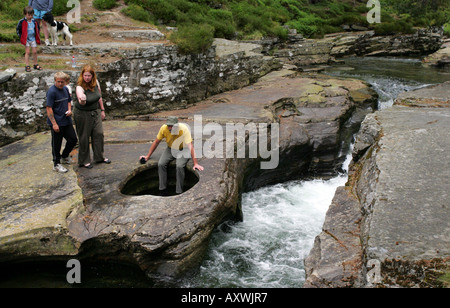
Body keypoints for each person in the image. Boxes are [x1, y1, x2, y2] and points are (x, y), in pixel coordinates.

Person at [140, 116, 204, 195]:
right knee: (161, 164)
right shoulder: (164, 128)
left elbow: (190, 146)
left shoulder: (184, 129)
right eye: (168, 126)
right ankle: (162, 189)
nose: (170, 128)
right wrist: (147, 156)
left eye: (172, 126)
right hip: (171, 149)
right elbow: (156, 142)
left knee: (179, 166)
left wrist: (195, 163)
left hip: (183, 150)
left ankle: (179, 191)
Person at [74, 65, 110, 169]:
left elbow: (99, 97)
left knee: (99, 133)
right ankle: (84, 160)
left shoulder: (96, 83)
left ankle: (99, 157)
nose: (87, 78)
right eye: (85, 75)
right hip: (82, 114)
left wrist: (102, 110)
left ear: (92, 76)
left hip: (95, 112)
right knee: (84, 137)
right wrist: (82, 99)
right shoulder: (79, 87)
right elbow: (81, 99)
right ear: (82, 75)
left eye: (89, 75)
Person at [46, 72, 78, 173]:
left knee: (73, 139)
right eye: (58, 82)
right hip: (57, 122)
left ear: (65, 82)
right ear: (55, 81)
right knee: (56, 144)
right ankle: (56, 164)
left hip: (66, 120)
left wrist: (69, 110)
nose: (60, 84)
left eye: (62, 82)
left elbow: (69, 101)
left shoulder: (65, 89)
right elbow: (49, 108)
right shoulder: (52, 92)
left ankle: (64, 156)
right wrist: (54, 124)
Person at [16, 6, 42, 72]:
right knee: (27, 52)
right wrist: (21, 36)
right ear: (25, 14)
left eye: (31, 15)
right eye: (29, 15)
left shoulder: (34, 22)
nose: (30, 16)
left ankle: (36, 64)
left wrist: (37, 36)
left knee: (35, 52)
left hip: (33, 38)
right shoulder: (22, 21)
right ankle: (27, 65)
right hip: (26, 39)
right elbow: (18, 29)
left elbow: (37, 29)